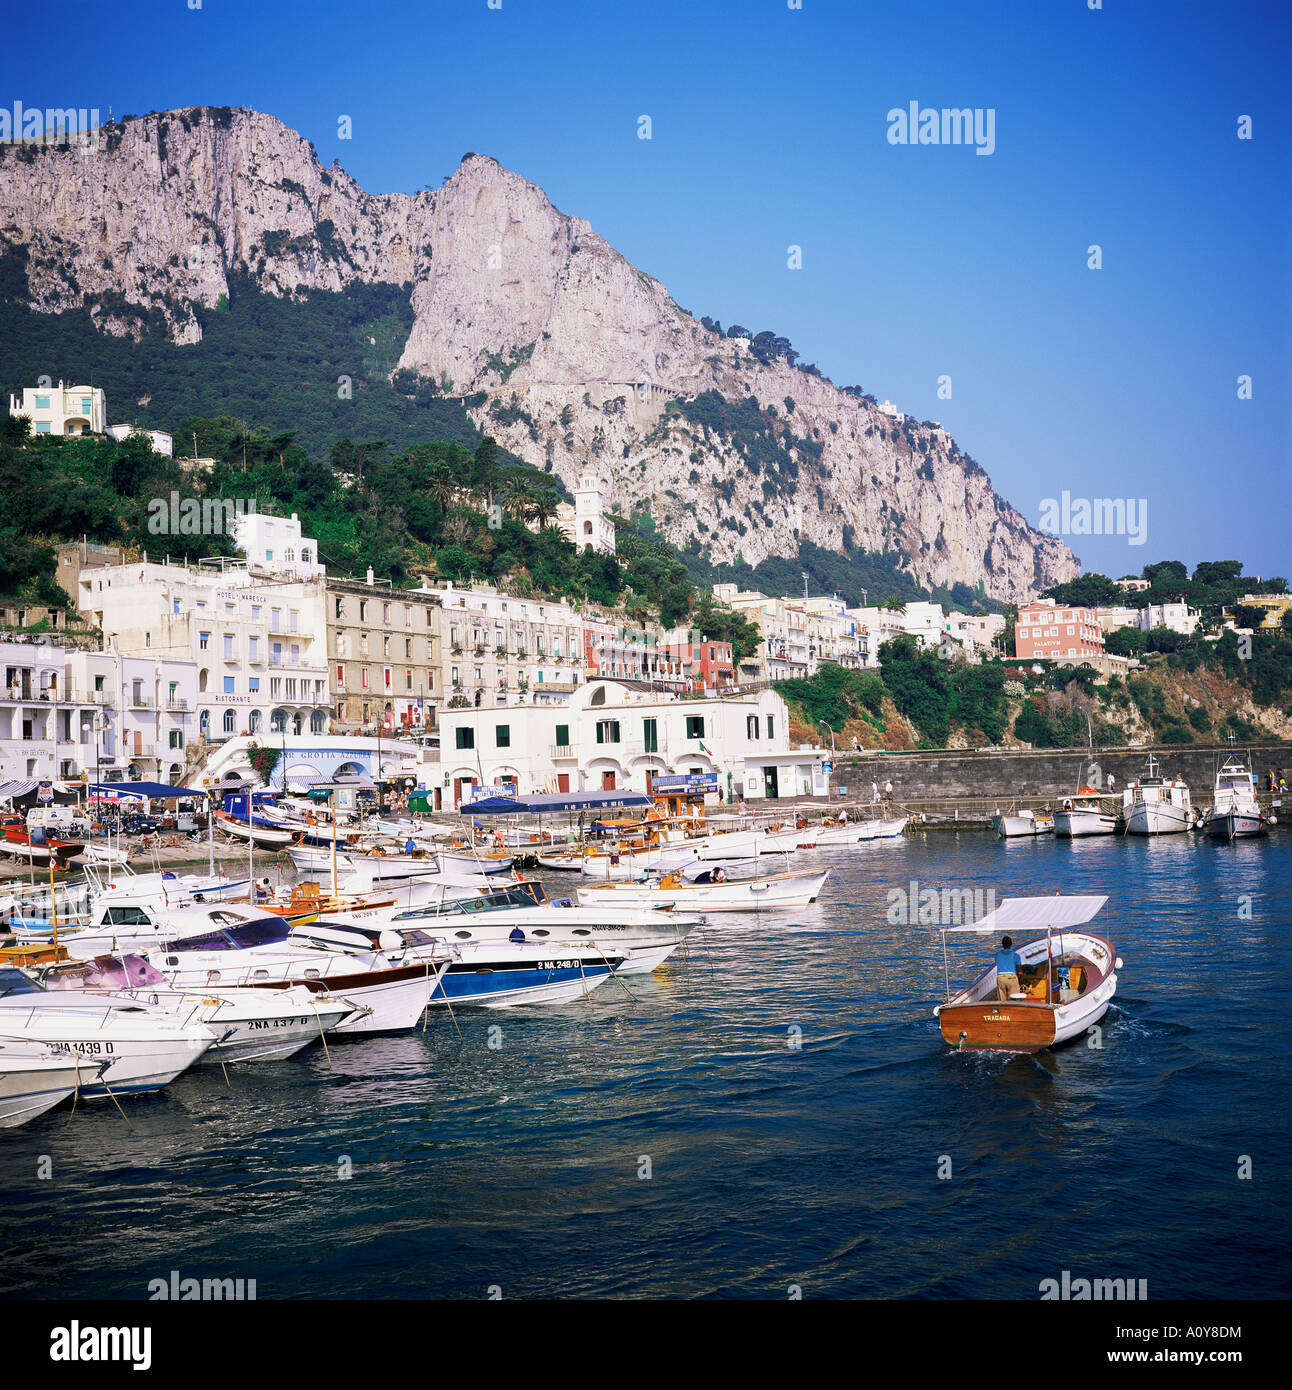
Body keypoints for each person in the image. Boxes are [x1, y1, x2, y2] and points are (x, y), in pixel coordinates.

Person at [995, 936, 1022, 1000]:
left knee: (1002, 1001)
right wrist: (1021, 980)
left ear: (1002, 944)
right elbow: (1019, 970)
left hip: (1000, 978)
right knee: (1014, 1000)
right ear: (1011, 944)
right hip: (1011, 978)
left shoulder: (997, 954)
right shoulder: (1016, 955)